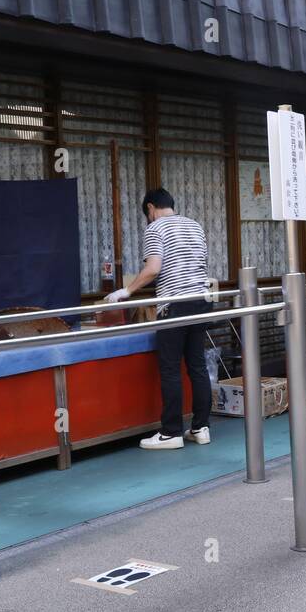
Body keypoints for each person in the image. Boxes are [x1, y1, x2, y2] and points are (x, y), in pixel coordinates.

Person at [108, 188, 212, 450]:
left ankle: (171, 433)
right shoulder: (195, 226)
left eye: (148, 214)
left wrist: (127, 291)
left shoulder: (155, 229)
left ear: (151, 208)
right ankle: (201, 427)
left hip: (174, 305)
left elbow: (153, 269)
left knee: (170, 369)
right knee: (197, 366)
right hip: (201, 301)